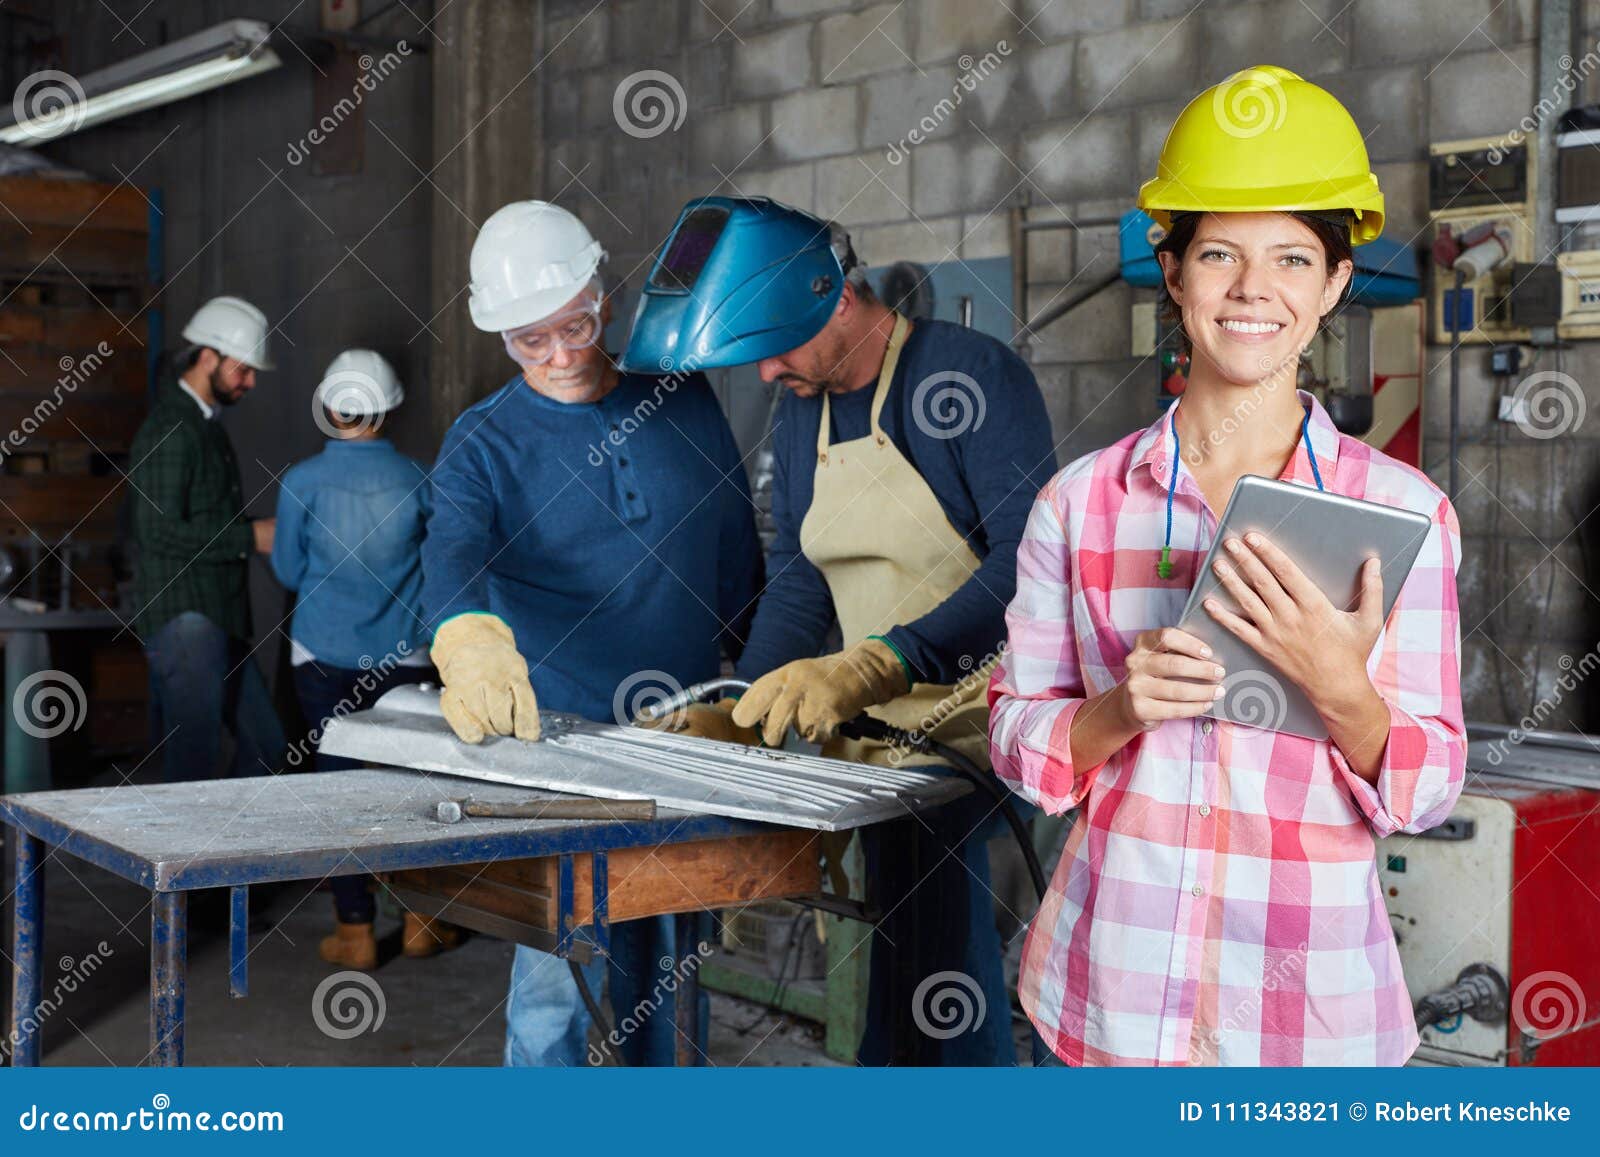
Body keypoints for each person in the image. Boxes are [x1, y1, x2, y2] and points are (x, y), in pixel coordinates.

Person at [988, 65, 1467, 1066]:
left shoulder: (1400, 513)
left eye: (1294, 258)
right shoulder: (1078, 504)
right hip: (1109, 994)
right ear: (1173, 273)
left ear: (1336, 282)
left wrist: (1342, 687)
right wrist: (1120, 706)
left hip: (1306, 1016)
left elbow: (1429, 789)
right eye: (1219, 255)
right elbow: (1017, 738)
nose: (1254, 291)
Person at [620, 196, 1058, 1065]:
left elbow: (1029, 572)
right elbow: (798, 581)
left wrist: (883, 662)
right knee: (895, 968)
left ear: (833, 298)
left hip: (982, 725)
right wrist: (746, 708)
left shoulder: (966, 378)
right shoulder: (803, 405)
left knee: (943, 969)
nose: (767, 373)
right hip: (880, 733)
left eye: (775, 348)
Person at [421, 200, 763, 1066]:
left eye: (573, 324)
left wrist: (766, 676)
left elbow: (735, 545)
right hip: (561, 752)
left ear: (601, 296)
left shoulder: (682, 400)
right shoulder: (484, 444)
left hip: (687, 737)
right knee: (551, 990)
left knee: (673, 977)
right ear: (501, 338)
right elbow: (452, 551)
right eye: (530, 340)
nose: (562, 354)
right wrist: (466, 635)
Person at [271, 348, 452, 970]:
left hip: (323, 655)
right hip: (409, 658)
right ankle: (422, 919)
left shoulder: (302, 483)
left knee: (340, 790)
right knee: (416, 784)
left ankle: (353, 932)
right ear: (390, 408)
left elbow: (289, 571)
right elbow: (444, 565)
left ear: (329, 406)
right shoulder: (421, 478)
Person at [130, 296, 287, 784]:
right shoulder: (172, 429)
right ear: (207, 358)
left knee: (268, 748)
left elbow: (201, 516)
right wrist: (248, 535)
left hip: (216, 617)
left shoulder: (203, 427)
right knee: (193, 763)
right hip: (186, 621)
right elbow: (155, 530)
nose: (251, 382)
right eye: (243, 369)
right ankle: (184, 861)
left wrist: (260, 528)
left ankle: (236, 854)